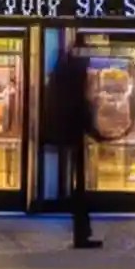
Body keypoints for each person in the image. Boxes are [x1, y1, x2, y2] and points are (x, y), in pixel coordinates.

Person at [49, 36, 102, 249]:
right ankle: (81, 233)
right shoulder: (75, 71)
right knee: (80, 184)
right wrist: (93, 129)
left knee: (79, 183)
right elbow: (78, 104)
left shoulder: (63, 67)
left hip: (67, 130)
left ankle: (83, 231)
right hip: (73, 131)